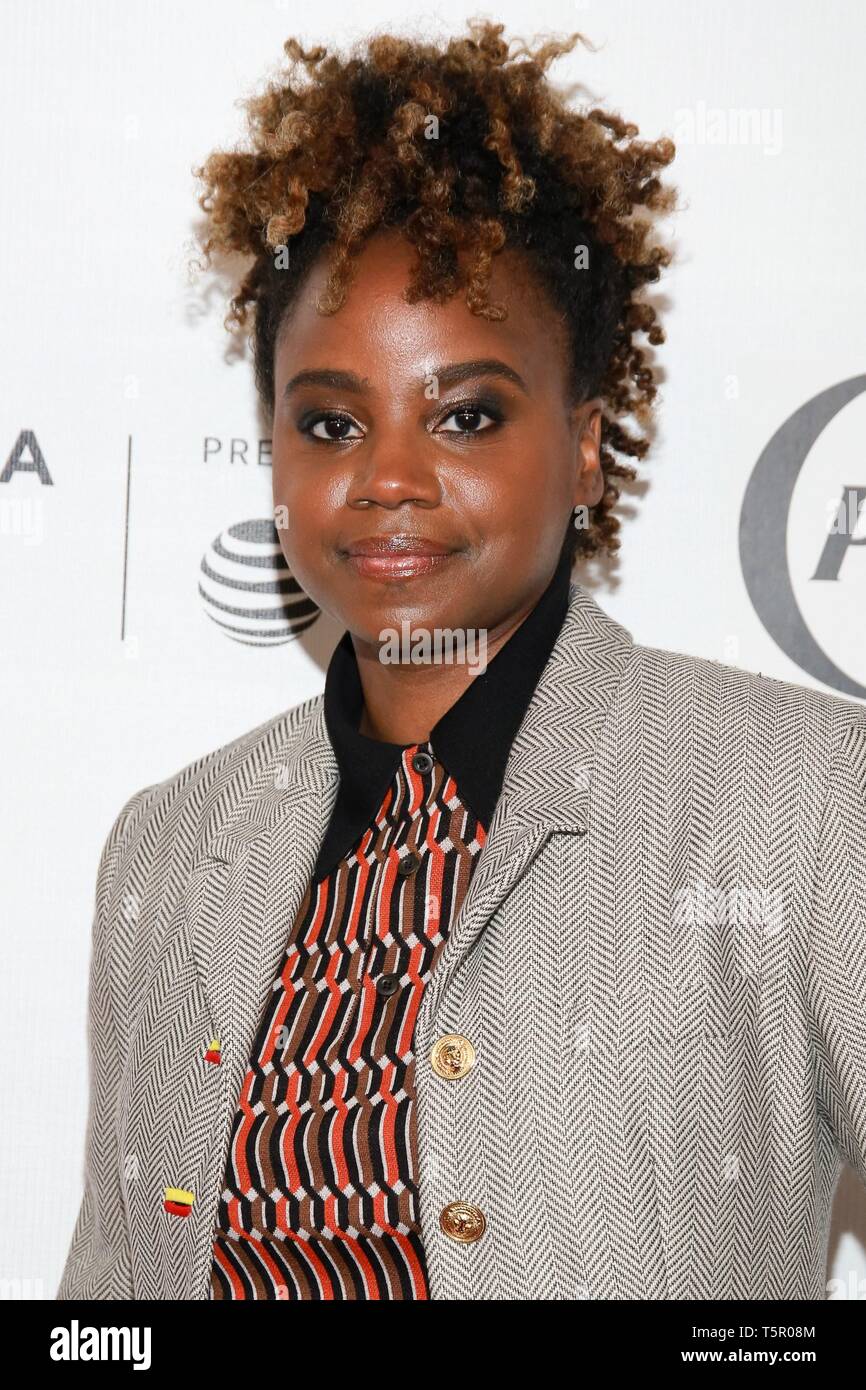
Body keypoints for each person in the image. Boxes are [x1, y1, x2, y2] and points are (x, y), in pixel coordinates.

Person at [58, 18, 866, 1301]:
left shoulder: (801, 796)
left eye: (464, 414)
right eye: (330, 421)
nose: (385, 477)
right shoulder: (166, 848)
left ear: (586, 444)